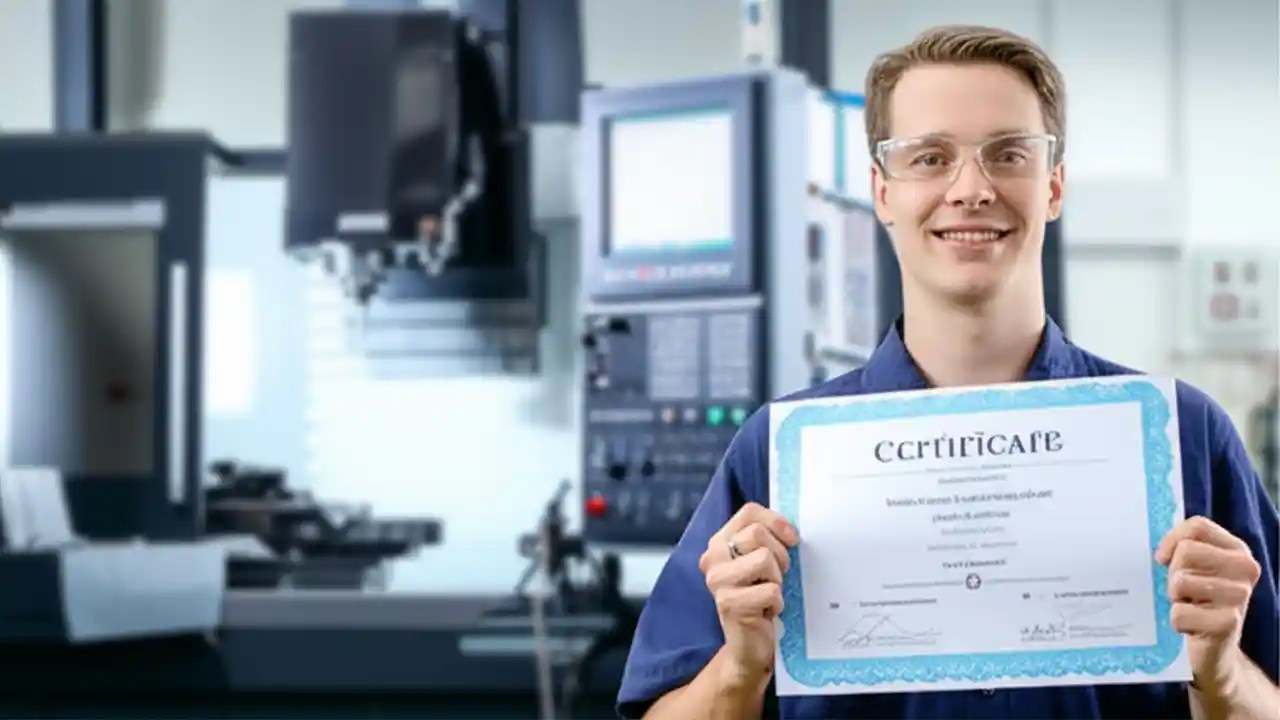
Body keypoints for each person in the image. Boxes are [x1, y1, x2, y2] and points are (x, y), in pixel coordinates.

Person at [615, 24, 1280, 720]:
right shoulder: (778, 454)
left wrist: (1223, 674)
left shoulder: (1185, 437)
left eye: (1009, 154)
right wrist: (740, 668)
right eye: (930, 157)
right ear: (882, 192)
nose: (971, 188)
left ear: (1053, 185)